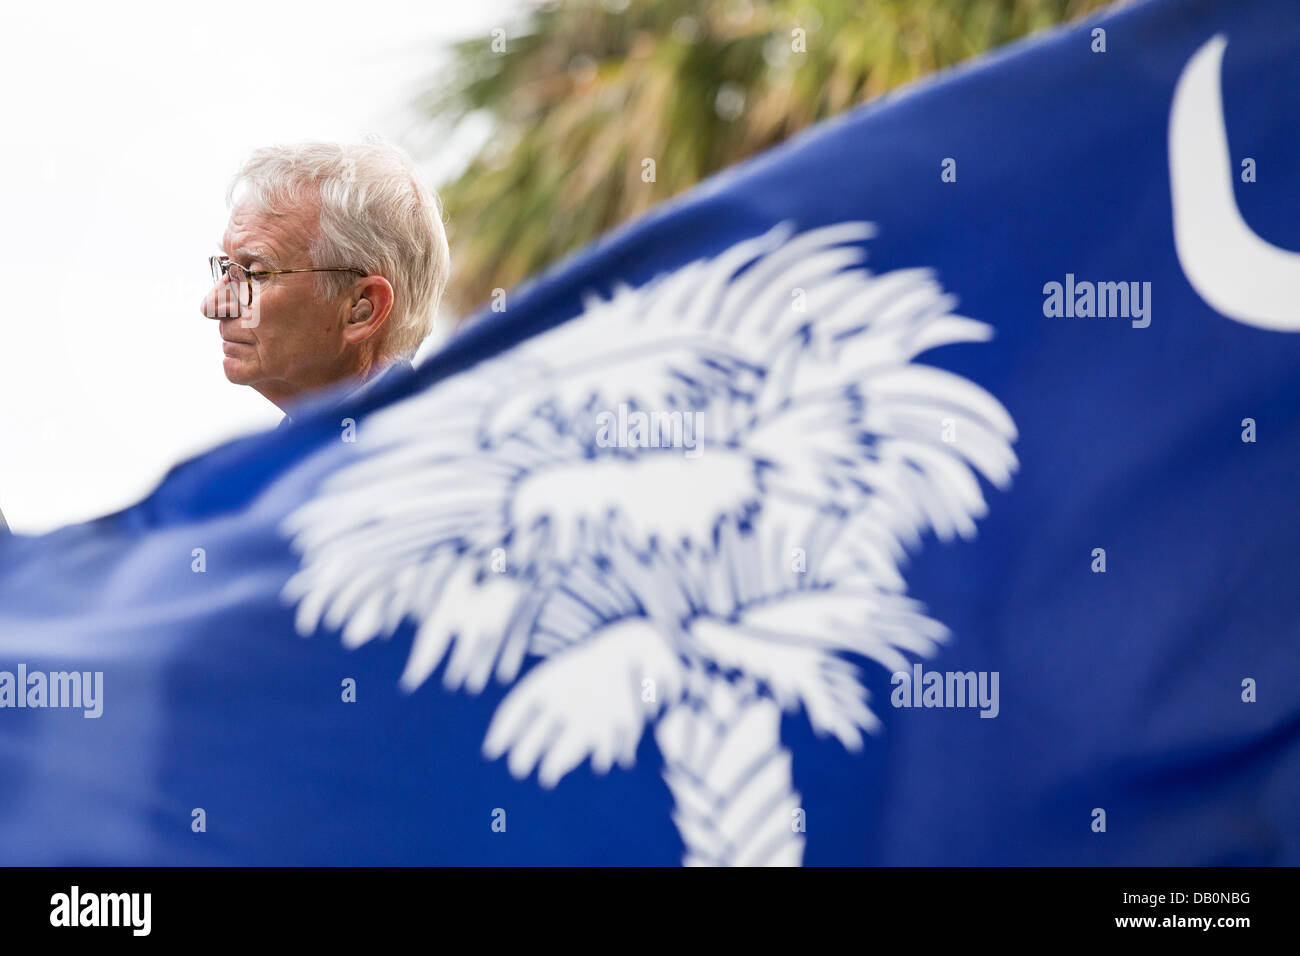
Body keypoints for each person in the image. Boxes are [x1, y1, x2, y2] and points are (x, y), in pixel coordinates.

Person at [201, 138, 451, 426]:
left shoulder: (405, 460)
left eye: (255, 273)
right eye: (225, 268)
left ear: (362, 309)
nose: (213, 305)